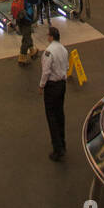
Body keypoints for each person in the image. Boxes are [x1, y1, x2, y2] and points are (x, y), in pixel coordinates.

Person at [40, 25, 69, 161]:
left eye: (48, 35)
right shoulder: (63, 49)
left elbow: (46, 71)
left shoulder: (48, 52)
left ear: (51, 37)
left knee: (51, 116)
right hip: (62, 84)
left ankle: (57, 149)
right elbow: (67, 67)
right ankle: (62, 142)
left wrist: (41, 86)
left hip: (52, 86)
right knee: (60, 114)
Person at [12, 0, 40, 64]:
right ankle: (22, 57)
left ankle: (32, 51)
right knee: (26, 39)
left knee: (27, 35)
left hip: (19, 19)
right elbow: (37, 1)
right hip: (26, 19)